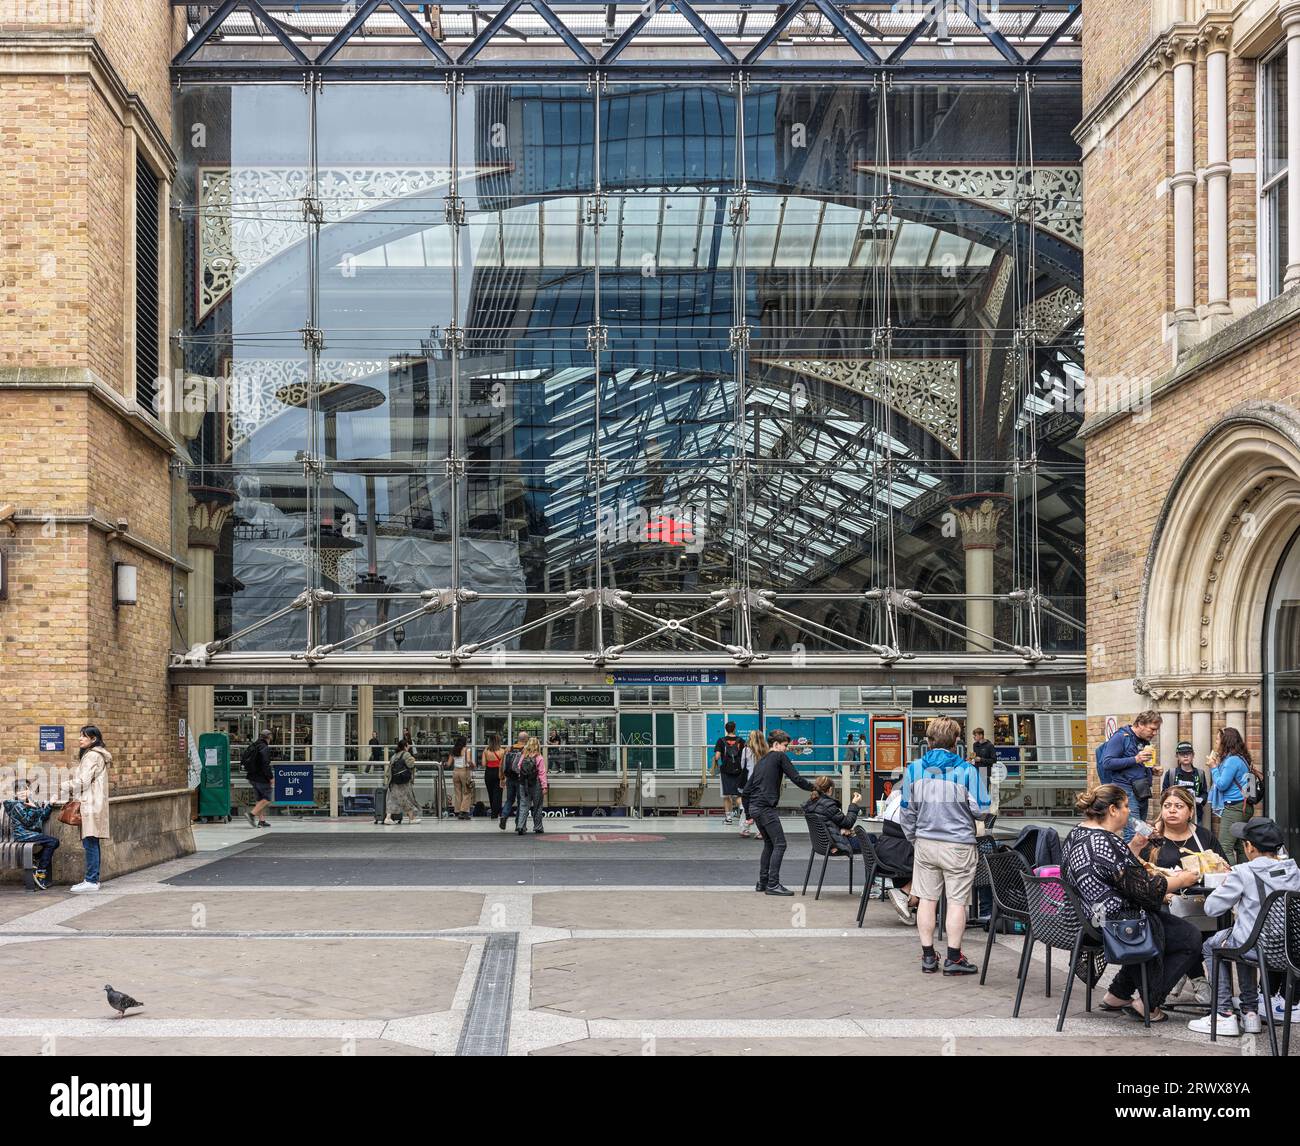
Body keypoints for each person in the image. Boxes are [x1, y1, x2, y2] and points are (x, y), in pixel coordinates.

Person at [1062, 784, 1202, 1023]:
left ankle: (1118, 994)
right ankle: (1149, 1002)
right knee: (1189, 936)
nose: (1129, 812)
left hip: (1087, 917)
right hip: (1114, 922)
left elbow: (1111, 871)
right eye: (1126, 806)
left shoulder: (1079, 832)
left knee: (1162, 927)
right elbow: (1146, 889)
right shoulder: (1107, 842)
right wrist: (1183, 879)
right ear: (1113, 810)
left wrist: (1136, 846)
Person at [1187, 817, 1300, 1037]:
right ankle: (1250, 1013)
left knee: (1214, 944)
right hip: (1286, 950)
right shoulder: (1293, 870)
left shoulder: (1243, 872)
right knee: (1240, 939)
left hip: (1255, 947)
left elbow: (1212, 908)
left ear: (1249, 847)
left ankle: (1225, 1014)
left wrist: (1227, 882)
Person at [900, 716, 992, 975]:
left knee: (927, 900)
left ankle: (928, 956)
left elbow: (906, 813)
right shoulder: (967, 771)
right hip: (959, 846)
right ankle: (953, 958)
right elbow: (982, 810)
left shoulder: (914, 769)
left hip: (926, 844)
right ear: (956, 742)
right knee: (956, 903)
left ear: (928, 741)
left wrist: (915, 839)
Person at [1143, 785, 1225, 1005]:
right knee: (1185, 933)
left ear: (1190, 811)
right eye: (1167, 806)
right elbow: (1139, 875)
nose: (1172, 811)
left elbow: (1223, 869)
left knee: (1215, 925)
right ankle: (1198, 979)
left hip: (1201, 904)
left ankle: (1180, 972)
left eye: (1179, 806)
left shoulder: (1203, 836)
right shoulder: (1151, 838)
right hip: (1163, 903)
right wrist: (1161, 895)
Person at [742, 729, 815, 896]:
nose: (786, 748)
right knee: (780, 844)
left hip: (755, 807)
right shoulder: (779, 756)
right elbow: (796, 778)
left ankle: (763, 882)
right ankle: (773, 884)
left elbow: (746, 790)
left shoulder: (762, 761)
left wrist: (748, 814)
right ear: (776, 744)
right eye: (785, 745)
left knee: (769, 844)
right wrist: (815, 788)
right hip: (765, 807)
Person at [54, 726, 114, 893]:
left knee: (90, 842)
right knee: (92, 841)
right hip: (93, 803)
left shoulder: (92, 756)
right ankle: (91, 879)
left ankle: (91, 880)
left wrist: (62, 786)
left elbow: (83, 781)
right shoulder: (95, 754)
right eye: (80, 736)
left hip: (90, 804)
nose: (80, 739)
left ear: (93, 739)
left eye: (83, 736)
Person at [1097, 710, 1161, 844]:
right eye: (1152, 729)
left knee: (1142, 831)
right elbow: (1107, 762)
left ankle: (1139, 862)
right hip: (1125, 790)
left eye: (1156, 730)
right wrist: (1135, 759)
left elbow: (1136, 765)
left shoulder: (1144, 741)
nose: (1155, 733)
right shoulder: (1121, 737)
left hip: (1141, 790)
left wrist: (1152, 770)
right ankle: (1130, 864)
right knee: (1133, 832)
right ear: (1140, 724)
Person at [1208, 727, 1253, 864]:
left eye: (1217, 739)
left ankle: (1231, 881)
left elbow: (1222, 784)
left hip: (1235, 807)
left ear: (1225, 741)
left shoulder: (1232, 760)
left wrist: (1213, 767)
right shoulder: (1240, 758)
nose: (1215, 742)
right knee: (1240, 847)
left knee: (1225, 847)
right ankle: (1245, 878)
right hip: (1243, 806)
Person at [3, 780, 58, 890]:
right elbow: (27, 822)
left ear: (29, 791)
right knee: (53, 842)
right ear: (15, 794)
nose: (22, 792)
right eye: (19, 791)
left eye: (25, 789)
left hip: (32, 834)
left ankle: (37, 860)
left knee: (53, 842)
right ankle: (40, 870)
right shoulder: (16, 805)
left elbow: (42, 817)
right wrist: (33, 808)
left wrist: (50, 805)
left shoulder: (31, 801)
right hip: (23, 834)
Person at [877, 783, 918, 925]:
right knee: (934, 863)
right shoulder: (916, 803)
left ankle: (911, 900)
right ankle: (905, 894)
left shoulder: (897, 798)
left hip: (884, 853)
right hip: (899, 855)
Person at [1161, 741, 1208, 824]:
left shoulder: (1200, 773)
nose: (1185, 756)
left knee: (1195, 835)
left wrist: (1200, 800)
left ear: (1193, 755)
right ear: (1177, 756)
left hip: (1195, 813)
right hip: (1175, 814)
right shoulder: (1171, 773)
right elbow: (1164, 793)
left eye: (1188, 753)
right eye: (1182, 754)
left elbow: (1204, 792)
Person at [713, 721, 747, 825]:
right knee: (738, 794)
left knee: (726, 795)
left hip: (725, 771)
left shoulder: (721, 740)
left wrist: (714, 760)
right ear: (734, 729)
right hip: (739, 771)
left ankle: (728, 819)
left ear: (726, 729)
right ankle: (743, 811)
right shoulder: (741, 740)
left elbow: (717, 756)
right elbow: (746, 755)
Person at [515, 736, 548, 835]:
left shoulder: (524, 756)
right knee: (537, 806)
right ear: (538, 745)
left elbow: (518, 766)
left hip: (523, 783)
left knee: (523, 805)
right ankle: (538, 827)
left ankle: (521, 826)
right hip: (536, 783)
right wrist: (544, 786)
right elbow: (542, 773)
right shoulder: (539, 757)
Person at [384, 738, 421, 825]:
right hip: (403, 782)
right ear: (405, 746)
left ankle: (388, 817)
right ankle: (411, 818)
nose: (408, 747)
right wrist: (413, 759)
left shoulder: (394, 756)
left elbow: (389, 769)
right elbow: (410, 764)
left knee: (392, 799)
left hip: (393, 781)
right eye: (407, 745)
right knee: (406, 799)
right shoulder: (406, 754)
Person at [738, 729, 766, 839]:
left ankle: (745, 828)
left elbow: (742, 765)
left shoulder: (746, 750)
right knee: (760, 806)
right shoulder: (766, 750)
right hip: (762, 781)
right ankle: (761, 831)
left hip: (749, 781)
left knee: (747, 805)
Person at [243, 729, 273, 828]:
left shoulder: (254, 745)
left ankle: (262, 821)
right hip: (261, 777)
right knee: (267, 798)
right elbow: (265, 764)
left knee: (260, 799)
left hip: (252, 776)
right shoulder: (264, 747)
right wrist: (270, 777)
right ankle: (251, 815)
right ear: (269, 737)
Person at [499, 731, 527, 830]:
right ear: (526, 739)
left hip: (509, 778)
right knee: (521, 801)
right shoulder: (525, 750)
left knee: (509, 799)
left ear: (518, 738)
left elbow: (502, 764)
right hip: (520, 779)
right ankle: (518, 824)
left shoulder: (508, 748)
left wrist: (502, 777)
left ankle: (504, 816)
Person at [448, 735, 473, 821]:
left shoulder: (453, 750)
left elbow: (448, 763)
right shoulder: (466, 750)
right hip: (464, 771)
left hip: (455, 772)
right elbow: (469, 761)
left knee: (457, 792)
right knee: (467, 792)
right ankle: (463, 811)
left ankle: (458, 811)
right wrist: (473, 764)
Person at [481, 733, 504, 821]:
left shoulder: (486, 750)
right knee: (498, 794)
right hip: (498, 772)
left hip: (488, 772)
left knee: (490, 793)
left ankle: (493, 812)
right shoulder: (502, 751)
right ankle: (496, 813)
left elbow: (483, 764)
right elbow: (503, 765)